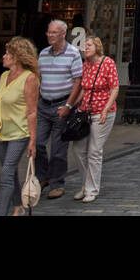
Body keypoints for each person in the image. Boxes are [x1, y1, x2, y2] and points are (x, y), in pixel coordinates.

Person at [0, 37, 38, 215]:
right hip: (2, 133)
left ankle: (2, 212)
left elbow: (32, 111)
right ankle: (18, 206)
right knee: (9, 172)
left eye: (7, 54)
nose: (3, 57)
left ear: (17, 57)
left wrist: (32, 140)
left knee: (5, 175)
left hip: (20, 133)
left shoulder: (30, 78)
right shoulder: (4, 76)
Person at [35, 19, 83, 200]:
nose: (50, 35)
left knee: (58, 148)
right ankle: (42, 176)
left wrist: (69, 106)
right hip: (44, 105)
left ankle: (57, 182)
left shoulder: (73, 53)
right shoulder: (43, 53)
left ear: (63, 34)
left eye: (54, 32)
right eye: (49, 32)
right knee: (37, 143)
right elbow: (38, 78)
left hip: (62, 105)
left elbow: (78, 82)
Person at [69, 34, 117, 203]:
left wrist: (105, 110)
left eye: (88, 45)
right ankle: (85, 184)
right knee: (79, 149)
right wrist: (71, 106)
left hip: (103, 113)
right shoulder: (86, 65)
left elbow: (114, 89)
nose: (85, 48)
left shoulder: (108, 63)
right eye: (84, 46)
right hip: (85, 113)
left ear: (97, 46)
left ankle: (92, 189)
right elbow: (83, 89)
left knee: (94, 151)